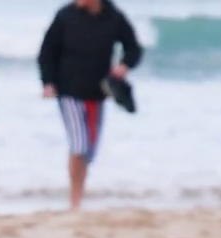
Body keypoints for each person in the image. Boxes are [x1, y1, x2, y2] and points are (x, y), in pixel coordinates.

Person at [37, 0, 142, 211]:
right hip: (68, 92)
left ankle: (78, 197)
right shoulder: (65, 16)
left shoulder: (113, 16)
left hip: (97, 94)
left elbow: (134, 48)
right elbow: (46, 52)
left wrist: (123, 66)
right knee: (79, 145)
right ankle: (75, 202)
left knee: (90, 151)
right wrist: (48, 82)